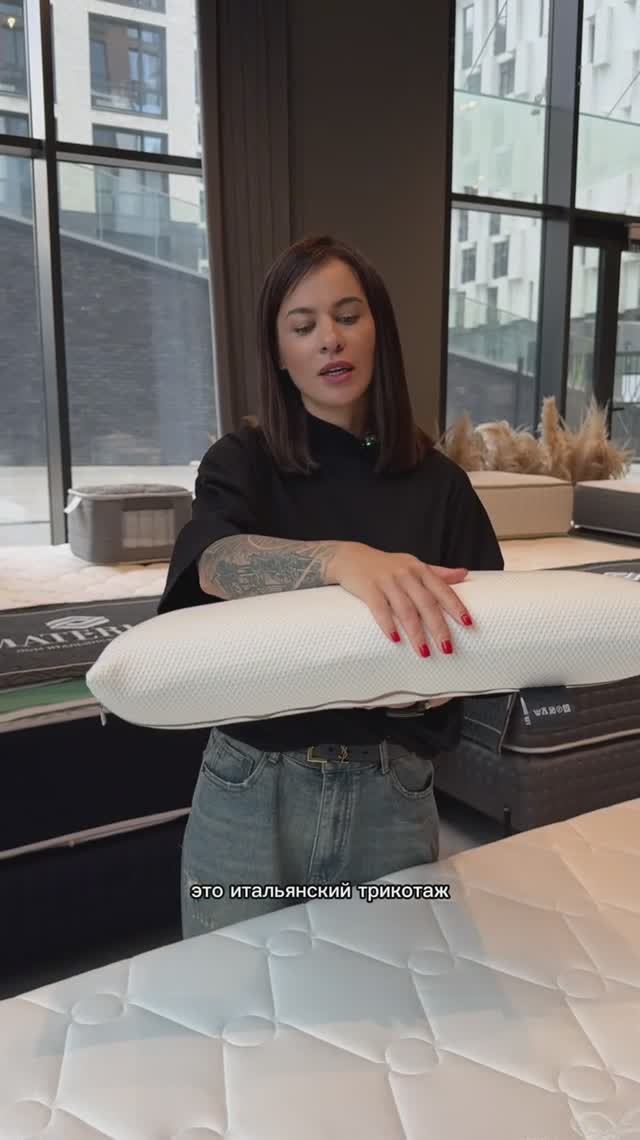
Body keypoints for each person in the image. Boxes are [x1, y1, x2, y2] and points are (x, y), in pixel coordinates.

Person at [158, 234, 504, 937]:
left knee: (386, 985)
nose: (329, 340)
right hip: (252, 787)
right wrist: (343, 561)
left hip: (391, 789)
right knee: (228, 986)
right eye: (303, 325)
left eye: (348, 316)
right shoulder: (243, 461)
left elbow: (491, 631)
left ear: (379, 330)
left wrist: (443, 679)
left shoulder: (441, 485)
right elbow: (214, 562)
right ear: (279, 352)